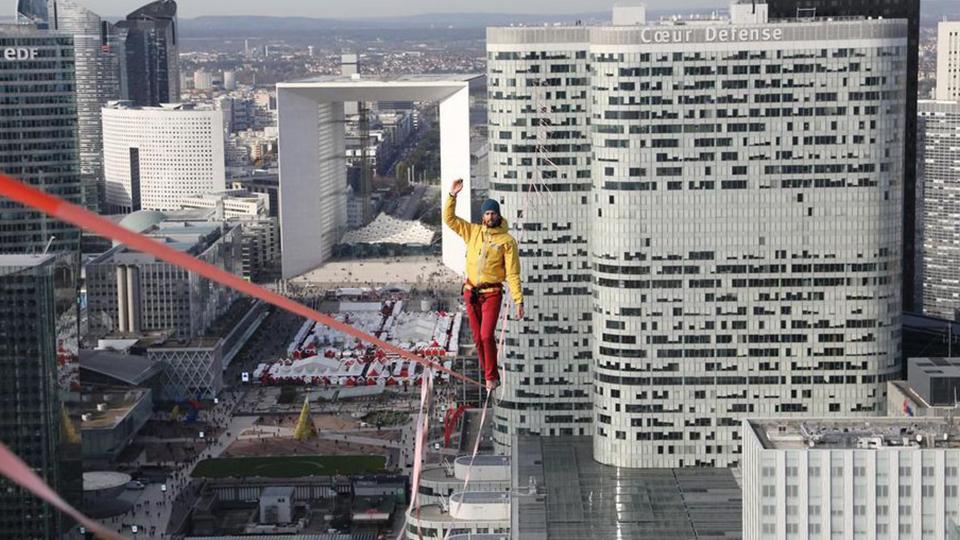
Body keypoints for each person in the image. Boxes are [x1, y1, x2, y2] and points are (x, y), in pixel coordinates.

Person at [444, 178, 523, 392]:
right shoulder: (473, 232)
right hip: (471, 292)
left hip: (491, 293)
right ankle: (490, 375)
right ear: (483, 216)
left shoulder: (507, 241)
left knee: (487, 335)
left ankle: (490, 376)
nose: (490, 217)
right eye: (487, 214)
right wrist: (452, 196)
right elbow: (449, 220)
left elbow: (513, 273)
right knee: (478, 338)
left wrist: (518, 300)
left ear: (499, 216)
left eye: (493, 213)